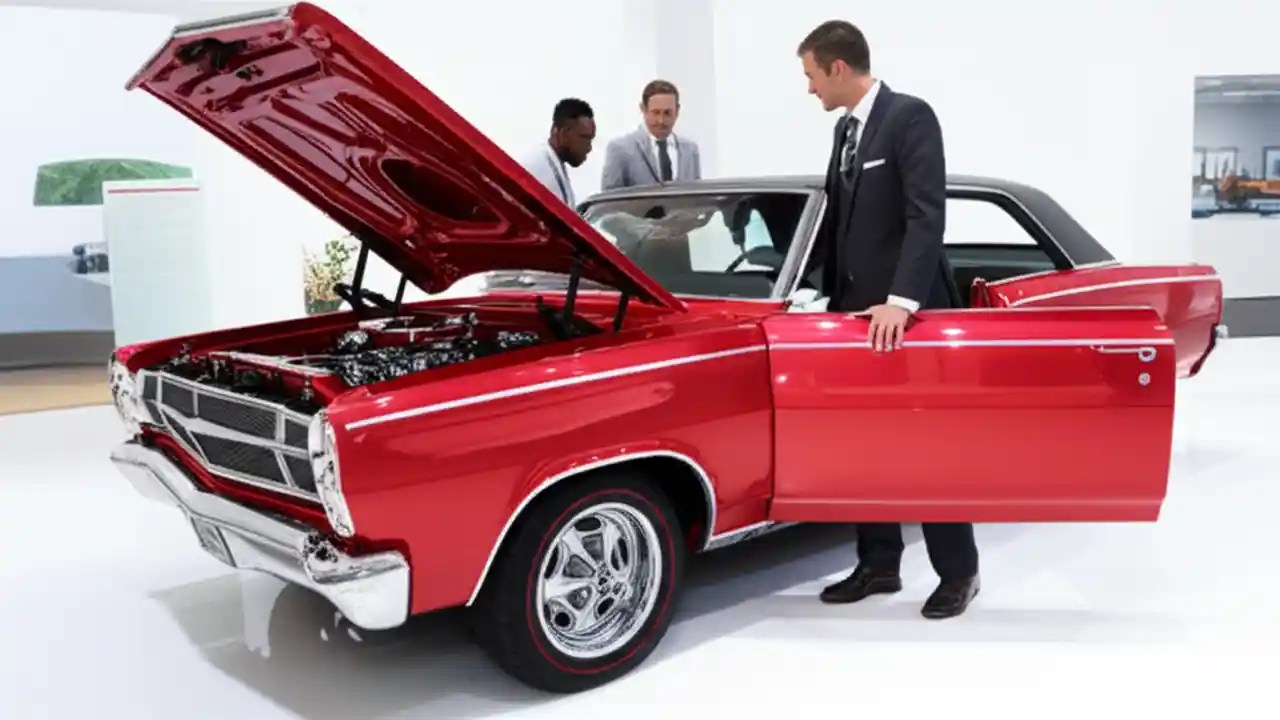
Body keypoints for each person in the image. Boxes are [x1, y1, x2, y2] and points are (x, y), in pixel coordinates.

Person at [796, 19, 980, 619]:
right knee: (864, 444)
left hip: (909, 318)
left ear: (838, 68)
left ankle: (959, 572)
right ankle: (878, 564)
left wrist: (901, 301)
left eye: (811, 76)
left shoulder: (910, 117)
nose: (809, 89)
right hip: (855, 321)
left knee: (931, 448)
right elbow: (841, 223)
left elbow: (927, 216)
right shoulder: (844, 131)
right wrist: (810, 290)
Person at [600, 80, 702, 190]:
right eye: (656, 112)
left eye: (667, 113)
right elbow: (609, 198)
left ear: (677, 111)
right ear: (643, 109)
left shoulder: (690, 150)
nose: (661, 121)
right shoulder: (620, 149)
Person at [520, 98, 596, 209]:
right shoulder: (539, 166)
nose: (589, 148)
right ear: (564, 134)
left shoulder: (551, 162)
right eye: (585, 139)